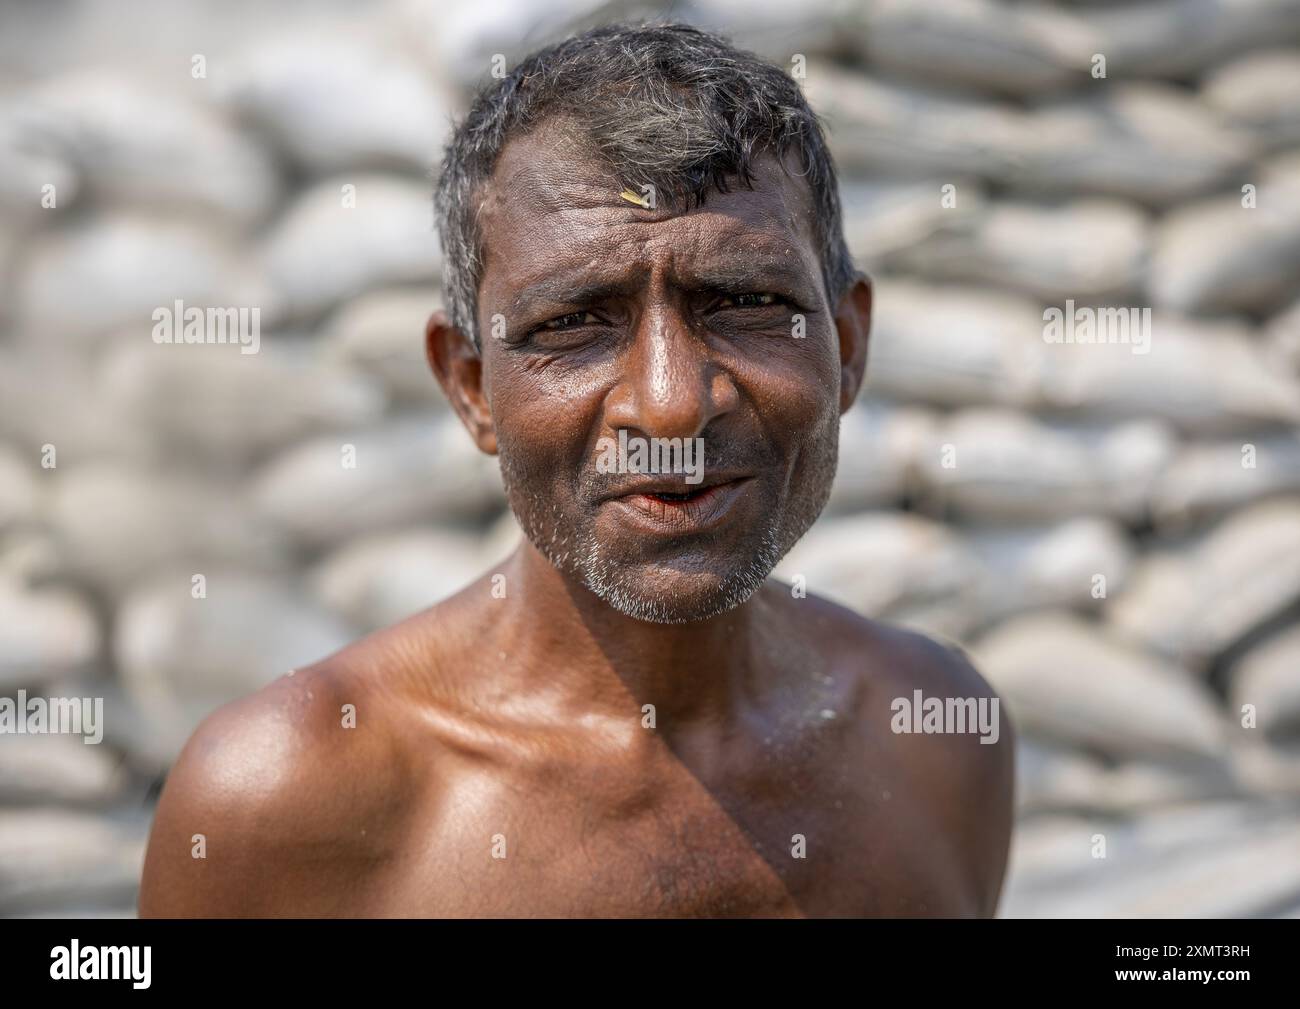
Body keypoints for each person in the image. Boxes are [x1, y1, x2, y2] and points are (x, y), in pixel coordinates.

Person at [139, 21, 1014, 918]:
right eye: (572, 324)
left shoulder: (934, 734)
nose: (672, 404)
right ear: (472, 387)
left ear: (848, 344)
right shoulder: (285, 797)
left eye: (748, 303)